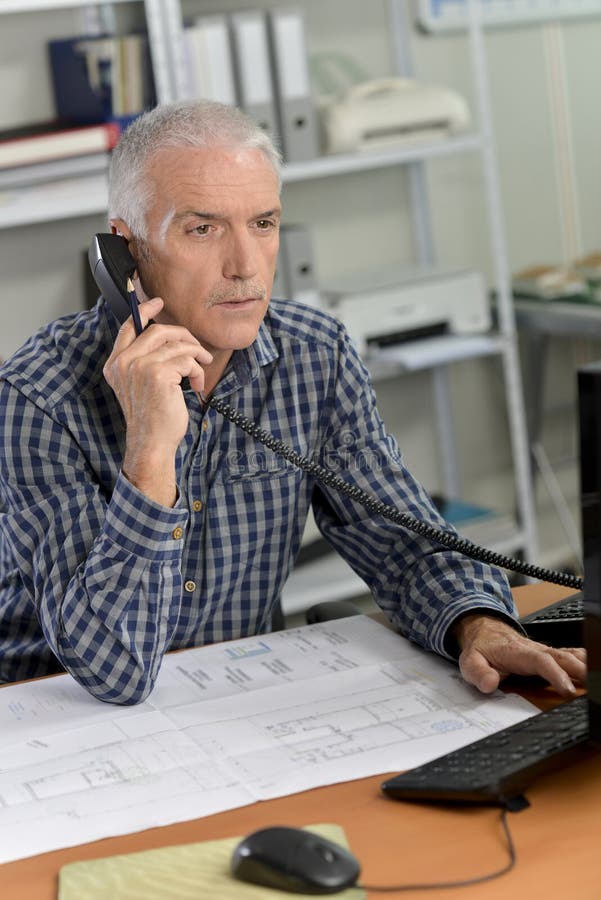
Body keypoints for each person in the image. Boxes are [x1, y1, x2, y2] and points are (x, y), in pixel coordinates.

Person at [0, 100, 585, 705]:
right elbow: (112, 671)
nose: (246, 266)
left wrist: (478, 624)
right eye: (202, 229)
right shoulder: (38, 394)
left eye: (263, 223)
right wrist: (150, 454)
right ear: (124, 249)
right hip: (50, 716)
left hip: (240, 701)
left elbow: (401, 540)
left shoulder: (314, 354)